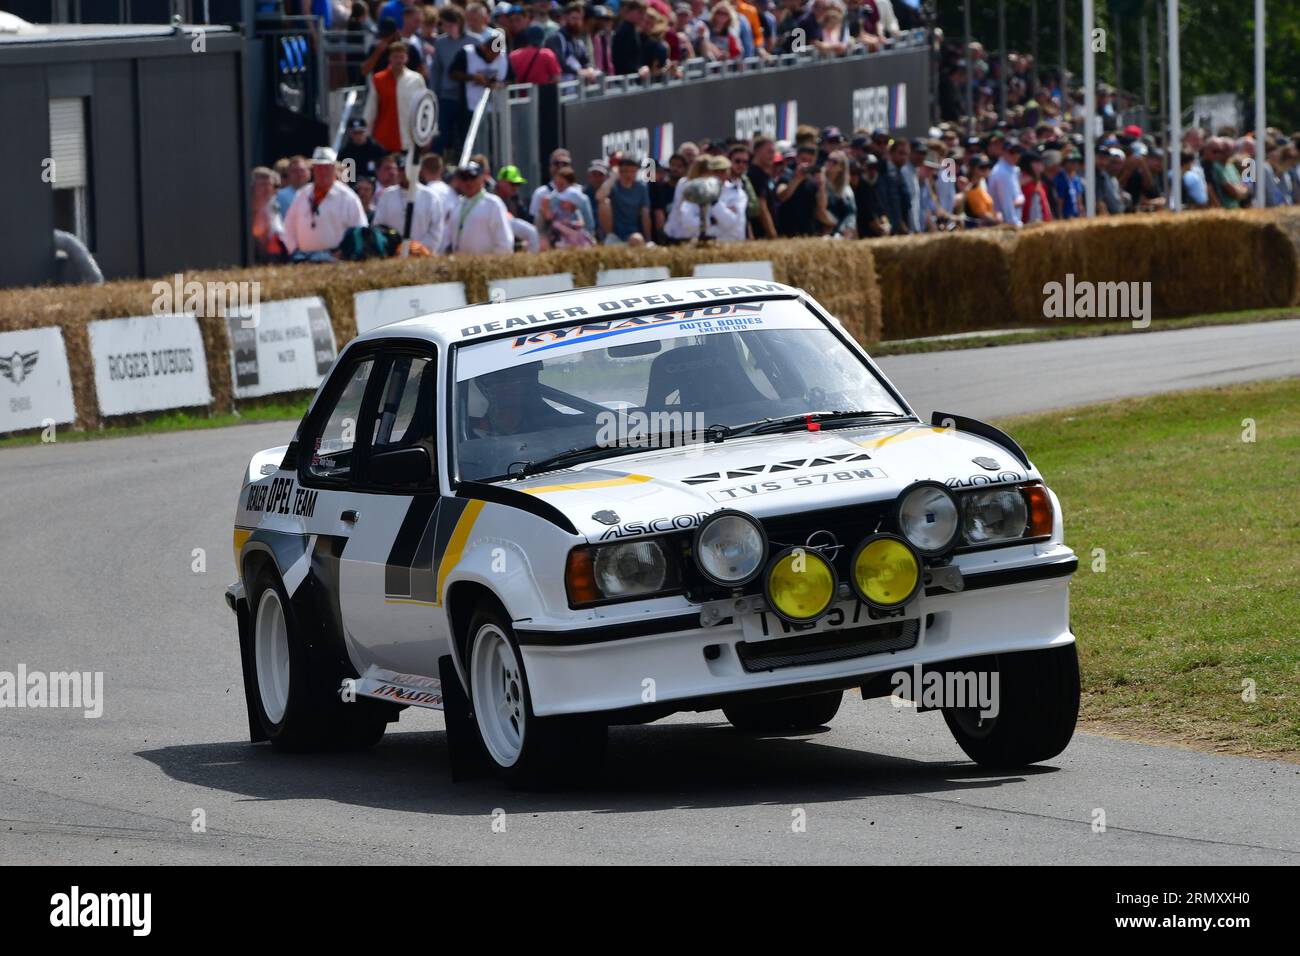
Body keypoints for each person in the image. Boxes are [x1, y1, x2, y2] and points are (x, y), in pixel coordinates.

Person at [282, 147, 368, 258]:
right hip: (303, 259)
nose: (322, 172)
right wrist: (294, 250)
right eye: (318, 168)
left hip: (336, 259)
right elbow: (289, 226)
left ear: (334, 169)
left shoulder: (348, 197)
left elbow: (359, 230)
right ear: (313, 170)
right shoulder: (302, 194)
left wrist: (345, 252)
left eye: (327, 168)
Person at [373, 153, 448, 252]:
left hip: (420, 255)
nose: (402, 173)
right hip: (391, 254)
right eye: (400, 169)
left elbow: (436, 230)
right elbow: (378, 225)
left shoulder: (430, 197)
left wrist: (418, 248)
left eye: (406, 170)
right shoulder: (387, 195)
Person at [363, 41, 427, 154]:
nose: (398, 60)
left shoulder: (416, 80)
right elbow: (371, 108)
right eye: (395, 57)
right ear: (389, 58)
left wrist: (426, 134)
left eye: (401, 56)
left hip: (409, 138)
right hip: (384, 138)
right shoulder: (378, 79)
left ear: (406, 58)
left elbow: (425, 108)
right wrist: (365, 133)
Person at [442, 161, 514, 254]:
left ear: (482, 178)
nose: (468, 182)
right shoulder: (457, 204)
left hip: (485, 266)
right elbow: (447, 239)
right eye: (464, 178)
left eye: (472, 177)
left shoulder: (493, 204)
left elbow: (504, 242)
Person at [431, 5, 469, 156]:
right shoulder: (440, 43)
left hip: (466, 98)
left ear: (459, 23)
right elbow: (436, 71)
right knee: (440, 135)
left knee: (464, 135)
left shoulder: (474, 41)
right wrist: (434, 95)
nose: (447, 27)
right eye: (444, 24)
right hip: (446, 97)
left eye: (450, 24)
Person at [449, 29, 513, 116]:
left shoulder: (503, 58)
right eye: (491, 53)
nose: (493, 58)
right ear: (484, 48)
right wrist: (473, 77)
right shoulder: (467, 53)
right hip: (470, 108)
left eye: (496, 54)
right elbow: (452, 73)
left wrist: (501, 84)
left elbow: (512, 79)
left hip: (496, 110)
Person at [597, 156, 653, 243]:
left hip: (633, 234)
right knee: (604, 203)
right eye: (625, 171)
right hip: (614, 233)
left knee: (636, 239)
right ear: (619, 172)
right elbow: (599, 197)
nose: (629, 174)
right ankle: (609, 237)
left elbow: (645, 214)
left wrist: (648, 239)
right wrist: (613, 177)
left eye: (633, 171)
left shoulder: (641, 188)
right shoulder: (613, 185)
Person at [546, 1, 596, 79]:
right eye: (574, 18)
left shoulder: (578, 42)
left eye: (579, 19)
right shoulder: (556, 38)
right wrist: (578, 72)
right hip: (561, 87)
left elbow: (586, 61)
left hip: (577, 86)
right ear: (566, 18)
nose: (577, 22)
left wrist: (589, 69)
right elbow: (559, 63)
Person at [251, 166, 287, 263]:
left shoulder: (275, 203)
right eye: (262, 184)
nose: (267, 188)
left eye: (269, 184)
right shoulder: (247, 207)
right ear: (253, 186)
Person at [986, 139, 1023, 226]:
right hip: (1005, 225)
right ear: (1003, 152)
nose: (1016, 155)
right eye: (1012, 152)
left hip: (1012, 221)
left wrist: (1021, 199)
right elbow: (1007, 205)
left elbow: (1019, 195)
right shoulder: (1001, 172)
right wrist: (1015, 225)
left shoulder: (1013, 169)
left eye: (1018, 151)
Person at [338, 118, 387, 183]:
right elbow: (341, 173)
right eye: (355, 133)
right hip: (353, 187)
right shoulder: (345, 152)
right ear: (350, 132)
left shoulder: (377, 149)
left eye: (361, 132)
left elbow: (384, 169)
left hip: (374, 186)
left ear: (366, 131)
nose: (358, 136)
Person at [612, 0, 648, 77]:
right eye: (640, 12)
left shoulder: (632, 29)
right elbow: (621, 60)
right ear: (630, 11)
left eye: (644, 13)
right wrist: (637, 70)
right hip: (624, 80)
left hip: (630, 79)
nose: (643, 16)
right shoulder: (624, 30)